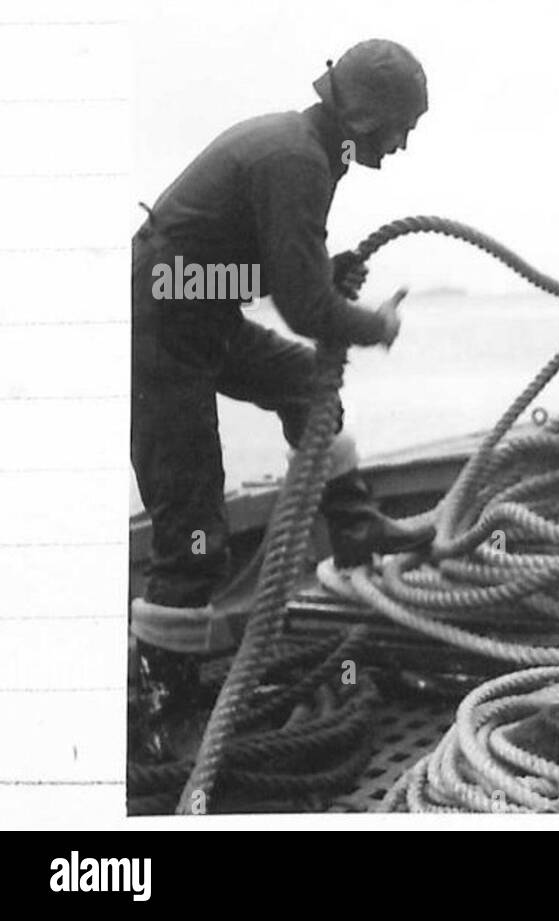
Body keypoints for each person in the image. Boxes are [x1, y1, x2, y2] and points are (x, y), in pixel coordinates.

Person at [130, 39, 429, 759]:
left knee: (302, 383)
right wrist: (371, 325)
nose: (403, 144)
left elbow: (247, 270)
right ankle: (170, 713)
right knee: (194, 532)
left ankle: (354, 529)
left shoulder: (310, 151)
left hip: (192, 309)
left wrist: (327, 271)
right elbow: (300, 307)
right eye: (400, 128)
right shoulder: (296, 159)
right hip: (160, 330)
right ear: (362, 114)